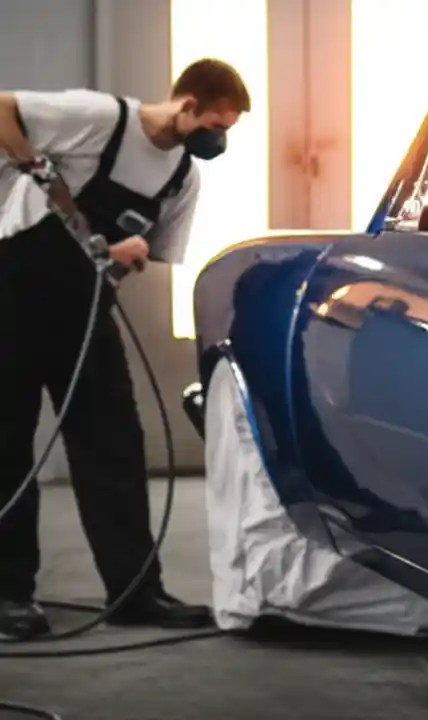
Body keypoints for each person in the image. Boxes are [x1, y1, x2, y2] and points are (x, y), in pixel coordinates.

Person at [0, 59, 250, 639]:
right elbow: (3, 107)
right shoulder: (100, 117)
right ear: (186, 105)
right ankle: (9, 594)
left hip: (85, 307)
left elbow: (154, 252)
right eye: (215, 124)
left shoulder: (183, 176)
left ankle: (137, 591)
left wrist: (117, 256)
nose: (219, 139)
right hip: (13, 291)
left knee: (113, 441)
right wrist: (33, 163)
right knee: (6, 442)